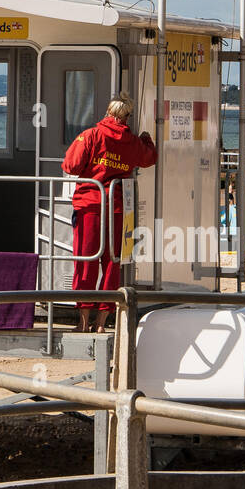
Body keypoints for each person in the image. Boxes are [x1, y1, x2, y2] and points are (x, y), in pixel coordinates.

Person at [61, 91, 157, 333]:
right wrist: (146, 140)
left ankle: (83, 322)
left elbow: (70, 165)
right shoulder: (133, 142)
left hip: (90, 206)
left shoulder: (91, 135)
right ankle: (102, 323)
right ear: (127, 117)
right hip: (118, 208)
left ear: (107, 112)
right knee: (113, 264)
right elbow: (149, 158)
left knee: (86, 263)